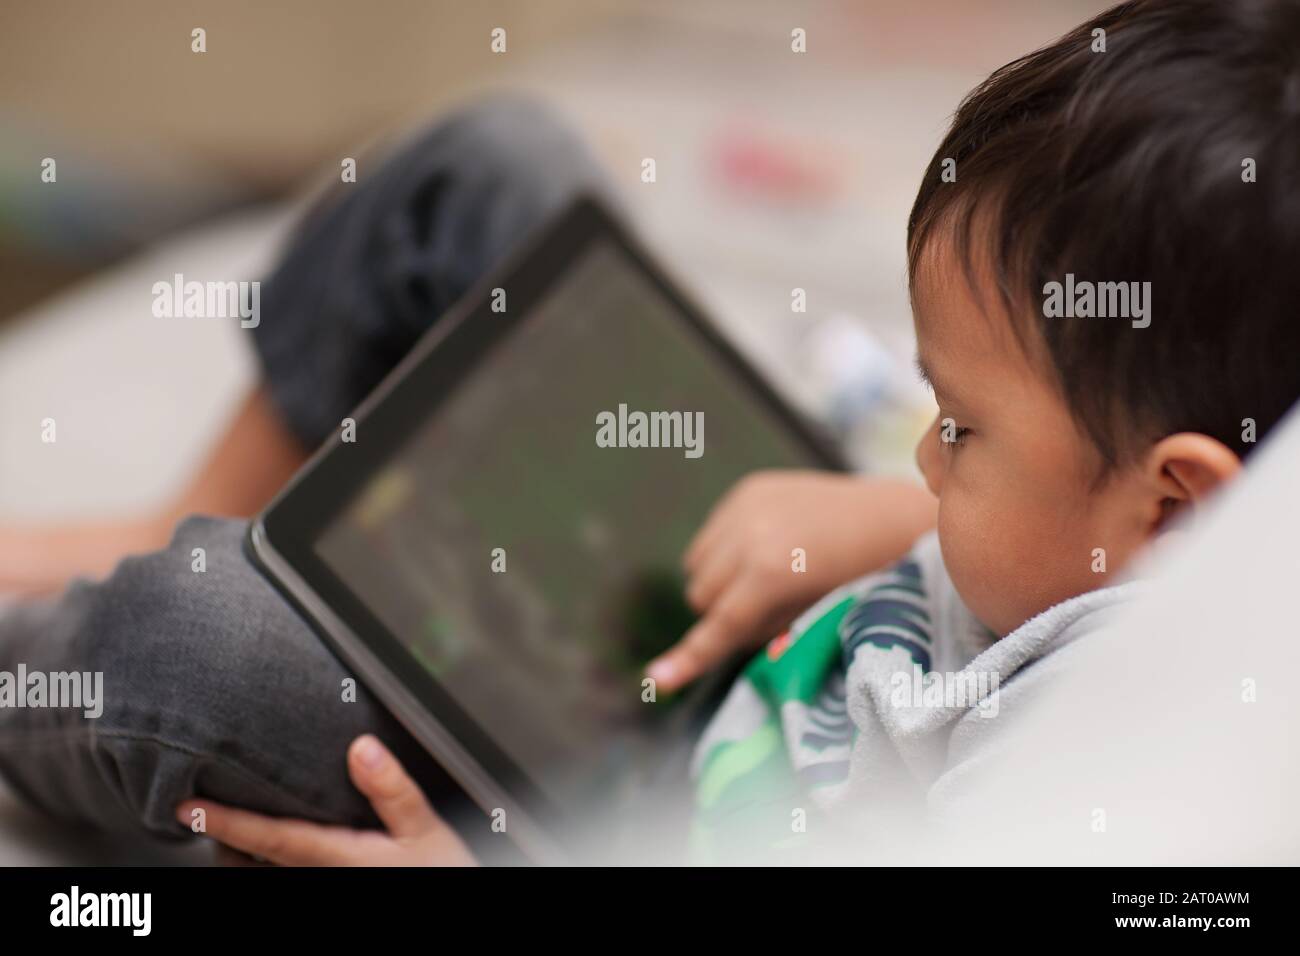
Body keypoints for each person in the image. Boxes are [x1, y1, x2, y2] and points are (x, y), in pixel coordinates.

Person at [5, 0, 1300, 865]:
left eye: (959, 428)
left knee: (209, 639)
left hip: (592, 811)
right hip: (761, 586)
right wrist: (892, 512)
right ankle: (179, 502)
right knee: (492, 166)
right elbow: (1077, 526)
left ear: (1180, 508)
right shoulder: (1209, 527)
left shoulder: (1110, 781)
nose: (928, 447)